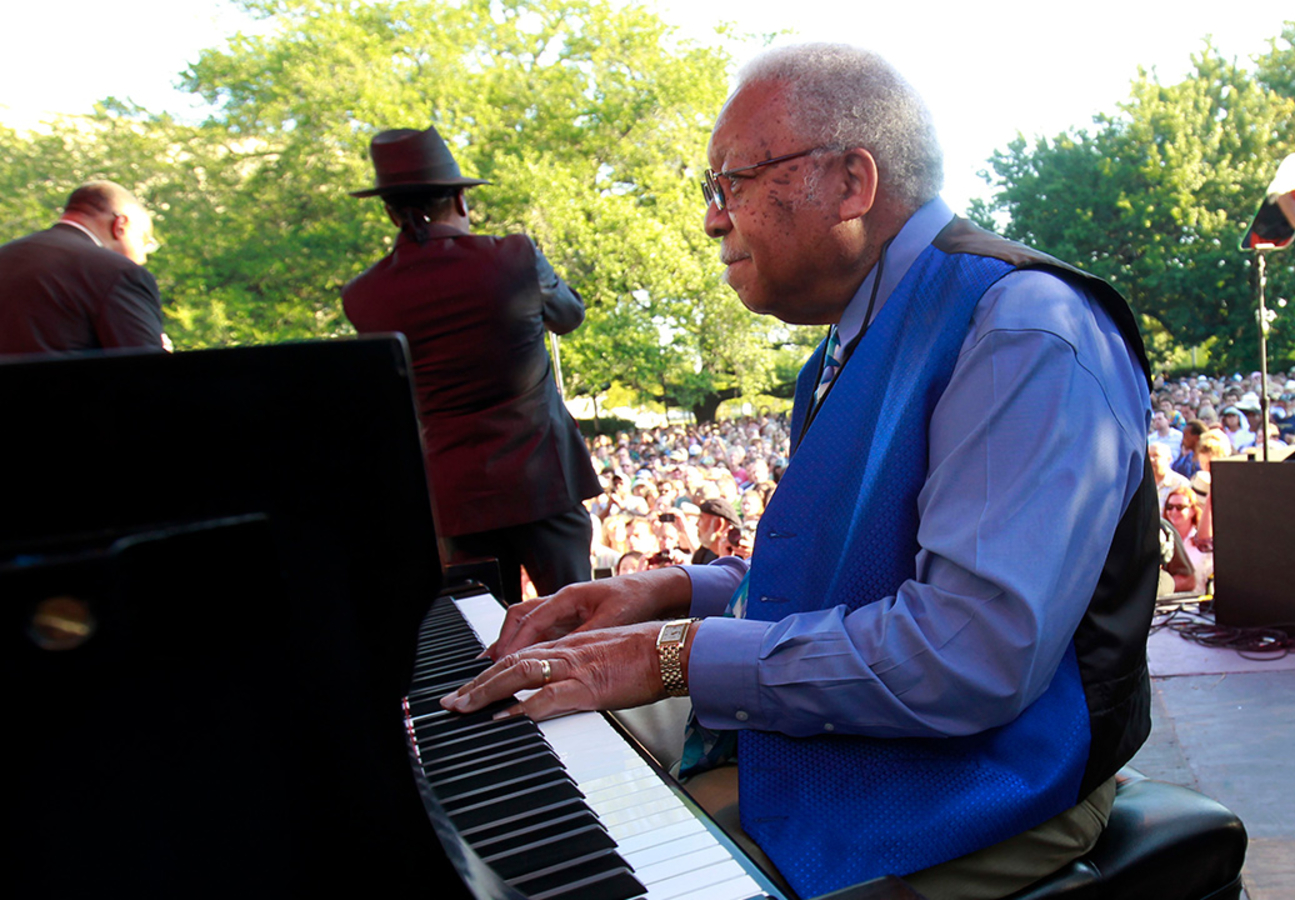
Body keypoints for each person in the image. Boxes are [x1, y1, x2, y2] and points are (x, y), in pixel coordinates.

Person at [441, 44, 1158, 900]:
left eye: (731, 182)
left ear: (851, 182)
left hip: (997, 775)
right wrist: (665, 592)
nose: (712, 220)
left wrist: (671, 654)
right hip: (904, 734)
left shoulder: (1020, 329)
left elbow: (971, 655)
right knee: (538, 744)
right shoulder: (847, 344)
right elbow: (850, 571)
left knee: (611, 854)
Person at [342, 126, 601, 600]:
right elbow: (569, 316)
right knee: (578, 617)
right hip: (542, 480)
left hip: (456, 499)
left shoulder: (362, 296)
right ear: (460, 200)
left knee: (484, 629)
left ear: (390, 211)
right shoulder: (514, 257)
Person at [0, 181, 171, 355]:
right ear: (120, 225)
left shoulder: (5, 255)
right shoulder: (119, 273)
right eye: (145, 241)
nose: (142, 258)